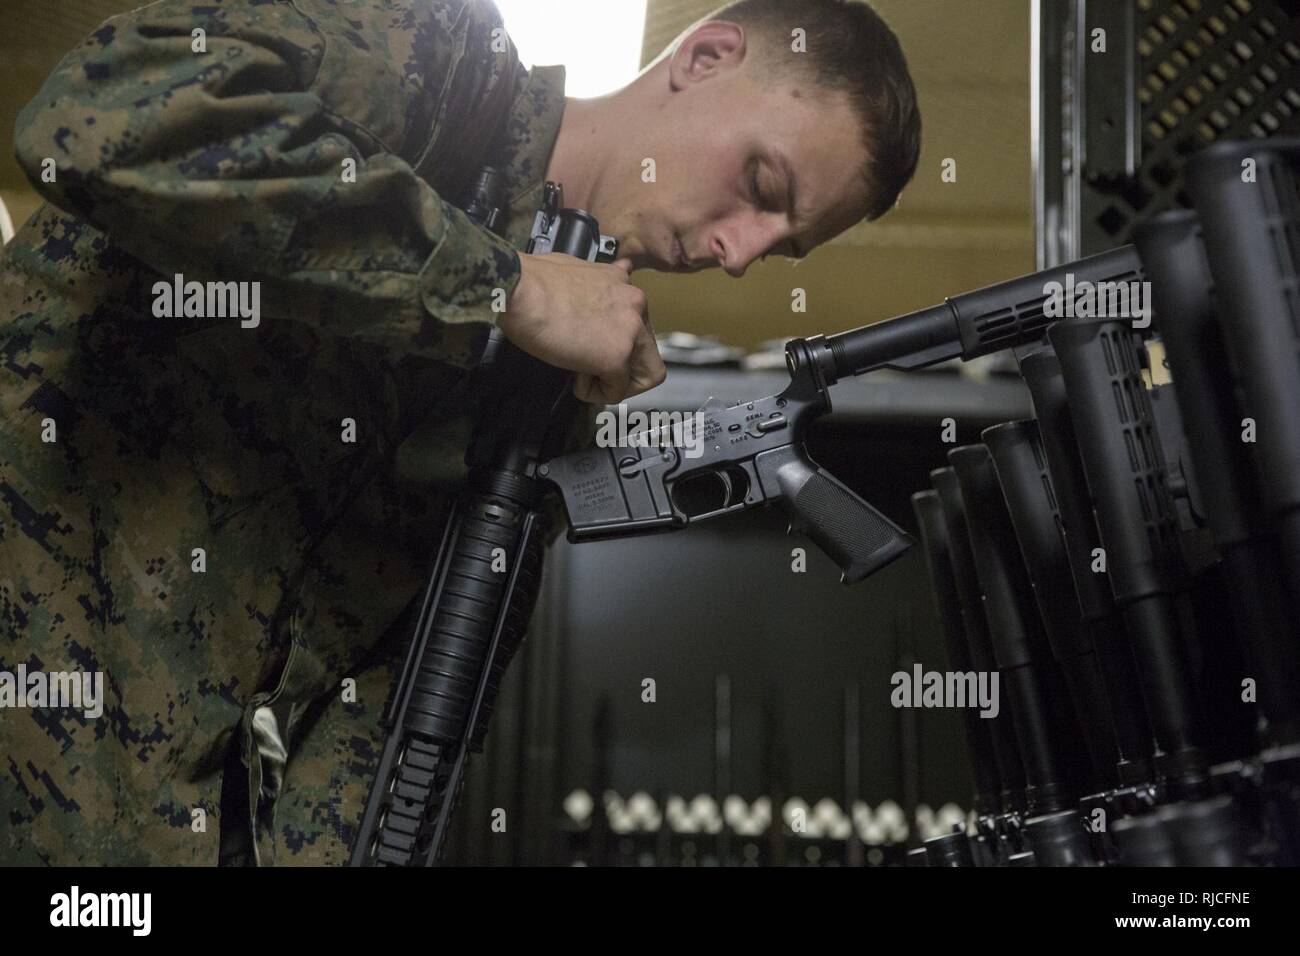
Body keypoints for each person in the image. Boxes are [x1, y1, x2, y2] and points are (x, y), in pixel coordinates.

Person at [0, 0, 920, 865]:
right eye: (762, 184)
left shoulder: (551, 382)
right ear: (705, 57)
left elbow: (389, 698)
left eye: (781, 245)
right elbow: (101, 116)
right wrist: (501, 287)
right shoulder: (443, 64)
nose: (741, 253)